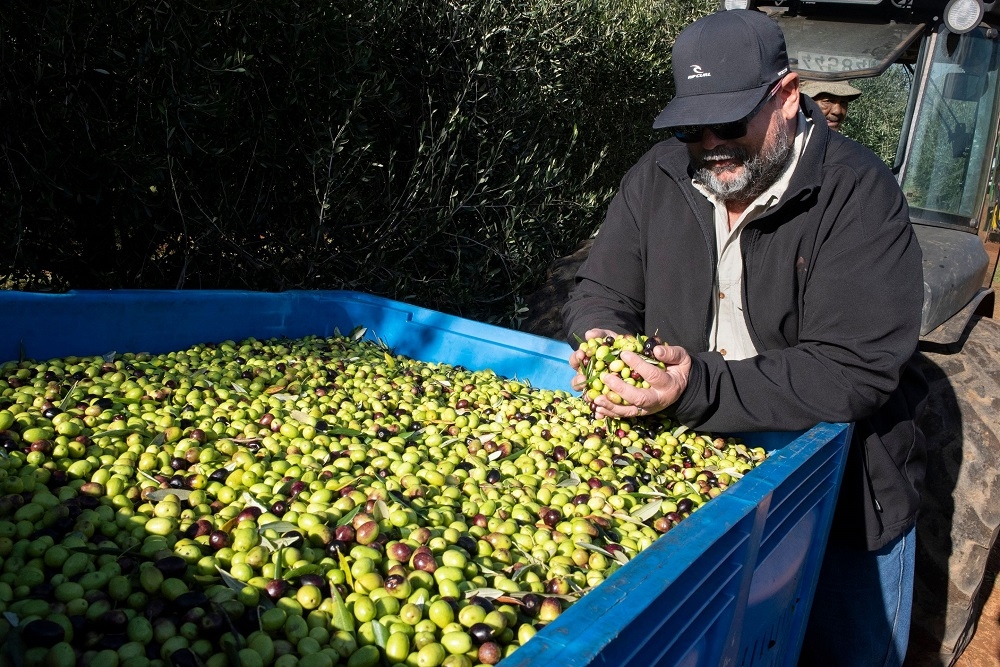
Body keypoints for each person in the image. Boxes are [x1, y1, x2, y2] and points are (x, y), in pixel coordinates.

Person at [562, 9, 926, 667]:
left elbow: (854, 369)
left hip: (837, 494)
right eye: (690, 128)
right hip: (696, 484)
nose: (710, 144)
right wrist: (604, 342)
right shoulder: (659, 177)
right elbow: (601, 291)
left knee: (847, 652)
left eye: (730, 124)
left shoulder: (855, 194)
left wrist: (692, 387)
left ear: (786, 96)